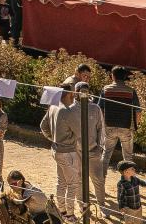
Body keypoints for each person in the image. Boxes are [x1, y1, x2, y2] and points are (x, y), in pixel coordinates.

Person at [41, 82, 106, 216]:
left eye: (85, 91)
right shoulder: (68, 110)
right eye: (78, 91)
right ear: (73, 93)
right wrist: (56, 139)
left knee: (94, 180)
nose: (82, 94)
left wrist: (99, 147)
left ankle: (99, 207)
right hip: (73, 151)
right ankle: (74, 211)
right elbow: (79, 132)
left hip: (85, 151)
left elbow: (101, 129)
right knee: (74, 183)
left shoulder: (94, 108)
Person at [101, 66, 140, 167]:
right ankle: (129, 180)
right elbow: (138, 111)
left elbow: (100, 109)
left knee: (106, 154)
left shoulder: (105, 90)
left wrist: (101, 125)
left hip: (109, 125)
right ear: (124, 77)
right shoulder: (131, 91)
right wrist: (136, 126)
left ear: (112, 76)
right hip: (126, 127)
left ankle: (100, 178)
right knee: (128, 157)